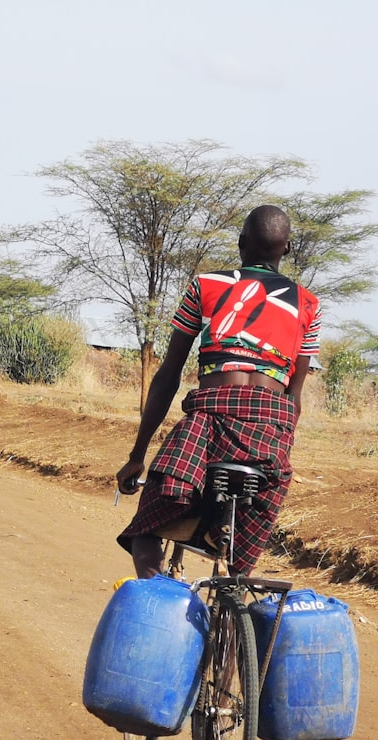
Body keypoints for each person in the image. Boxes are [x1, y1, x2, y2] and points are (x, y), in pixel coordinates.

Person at [114, 205, 321, 580]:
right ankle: (235, 584)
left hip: (210, 421)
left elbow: (168, 375)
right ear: (287, 248)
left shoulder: (205, 286)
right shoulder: (308, 304)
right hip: (268, 433)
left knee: (145, 529)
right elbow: (294, 398)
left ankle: (158, 596)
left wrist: (137, 456)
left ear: (241, 243)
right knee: (244, 544)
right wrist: (279, 450)